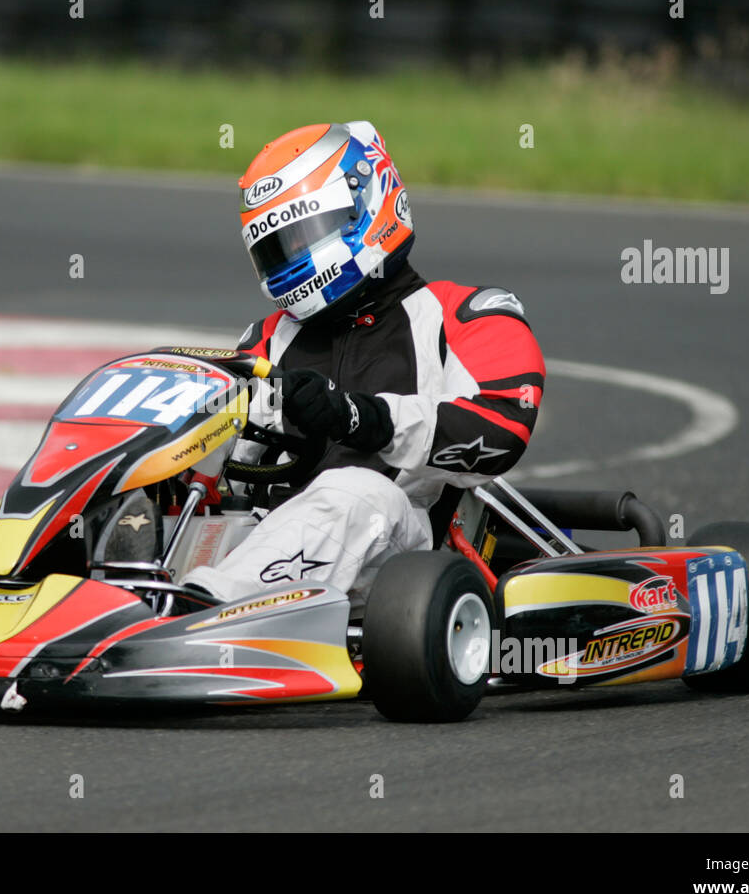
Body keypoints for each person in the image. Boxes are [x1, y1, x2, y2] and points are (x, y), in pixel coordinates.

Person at [182, 121, 546, 611]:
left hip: (403, 559)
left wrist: (361, 417)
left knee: (355, 489)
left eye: (304, 235)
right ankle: (97, 596)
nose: (292, 258)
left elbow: (501, 430)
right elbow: (221, 458)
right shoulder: (268, 338)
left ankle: (200, 615)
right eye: (278, 248)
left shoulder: (468, 315)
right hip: (266, 542)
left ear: (368, 206)